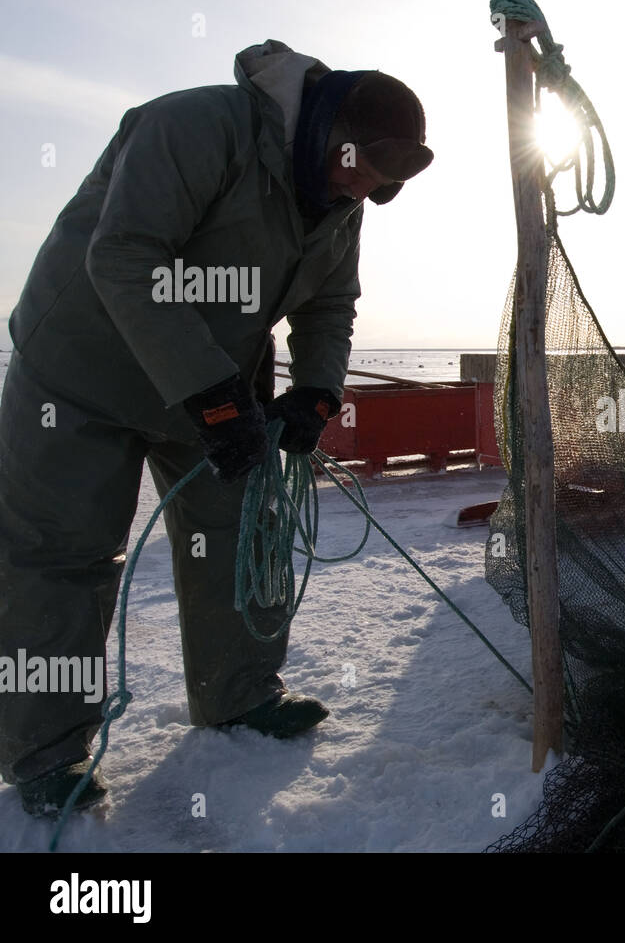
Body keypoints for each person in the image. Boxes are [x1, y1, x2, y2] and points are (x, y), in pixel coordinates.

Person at [0, 40, 433, 817]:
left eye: (373, 185)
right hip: (80, 372)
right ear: (327, 124)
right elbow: (126, 256)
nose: (355, 189)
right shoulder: (198, 126)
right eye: (353, 168)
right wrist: (212, 393)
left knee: (239, 534)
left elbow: (330, 306)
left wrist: (315, 392)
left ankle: (238, 696)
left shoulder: (342, 203)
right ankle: (44, 754)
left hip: (209, 385)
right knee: (60, 560)